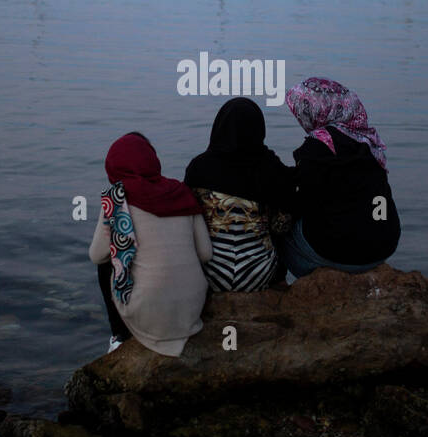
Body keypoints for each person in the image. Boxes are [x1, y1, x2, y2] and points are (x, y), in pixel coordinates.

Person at [89, 132, 212, 356]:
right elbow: (205, 253)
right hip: (192, 311)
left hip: (149, 314)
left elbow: (96, 255)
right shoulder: (181, 192)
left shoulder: (117, 198)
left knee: (106, 264)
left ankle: (119, 337)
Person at [277, 77, 400, 277]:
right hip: (384, 246)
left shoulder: (317, 148)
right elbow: (380, 201)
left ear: (314, 111)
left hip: (340, 255)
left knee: (280, 229)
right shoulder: (369, 142)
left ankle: (291, 286)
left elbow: (303, 202)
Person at [184, 98, 296, 292]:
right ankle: (279, 280)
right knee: (286, 213)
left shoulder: (199, 167)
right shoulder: (269, 167)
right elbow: (285, 220)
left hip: (209, 274)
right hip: (259, 275)